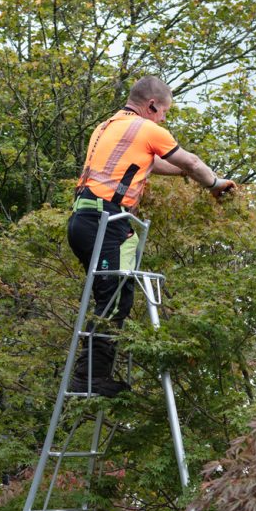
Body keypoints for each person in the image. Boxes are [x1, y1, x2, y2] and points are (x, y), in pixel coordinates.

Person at [68, 75, 237, 395]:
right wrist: (215, 184)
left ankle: (92, 373)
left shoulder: (109, 126)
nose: (163, 120)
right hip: (105, 220)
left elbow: (156, 163)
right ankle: (89, 376)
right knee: (115, 296)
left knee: (114, 293)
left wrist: (187, 172)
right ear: (152, 105)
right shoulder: (148, 129)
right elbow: (191, 160)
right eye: (164, 113)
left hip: (84, 219)